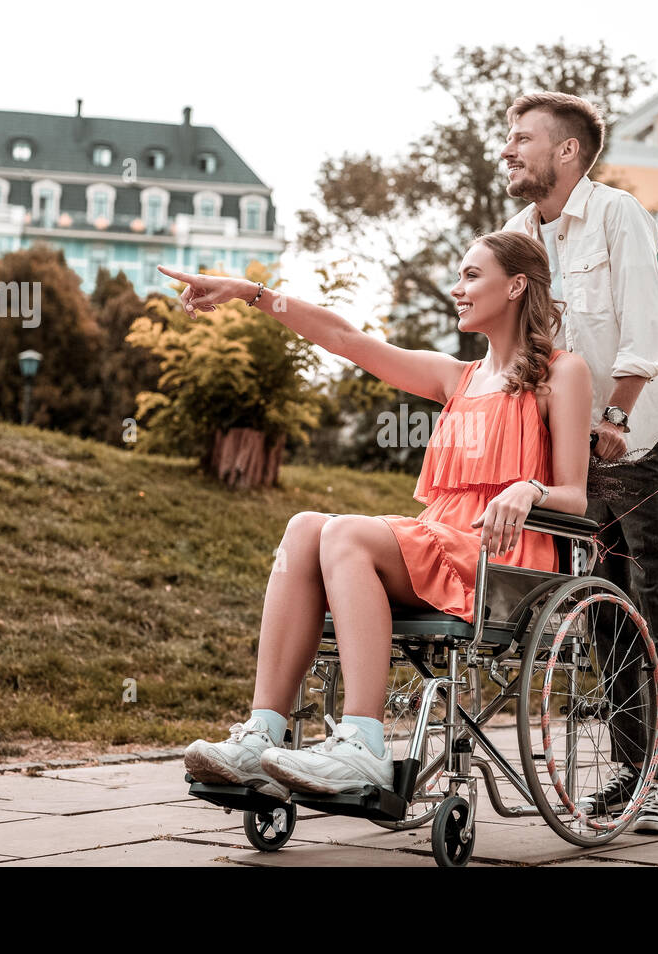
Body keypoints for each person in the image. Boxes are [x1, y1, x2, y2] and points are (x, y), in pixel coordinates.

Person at [158, 231, 592, 797]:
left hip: (503, 556)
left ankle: (361, 742)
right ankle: (262, 733)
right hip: (442, 541)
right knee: (304, 527)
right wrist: (249, 293)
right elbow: (343, 338)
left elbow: (575, 497)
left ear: (515, 286)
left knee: (346, 534)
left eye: (470, 276)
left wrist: (530, 488)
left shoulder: (564, 373)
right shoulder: (455, 378)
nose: (456, 289)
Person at [501, 91, 658, 834]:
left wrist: (614, 415)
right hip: (572, 452)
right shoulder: (519, 234)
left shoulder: (618, 216)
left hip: (643, 439)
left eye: (524, 139)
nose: (510, 150)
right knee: (601, 611)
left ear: (569, 152)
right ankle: (627, 770)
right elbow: (525, 344)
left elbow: (648, 329)